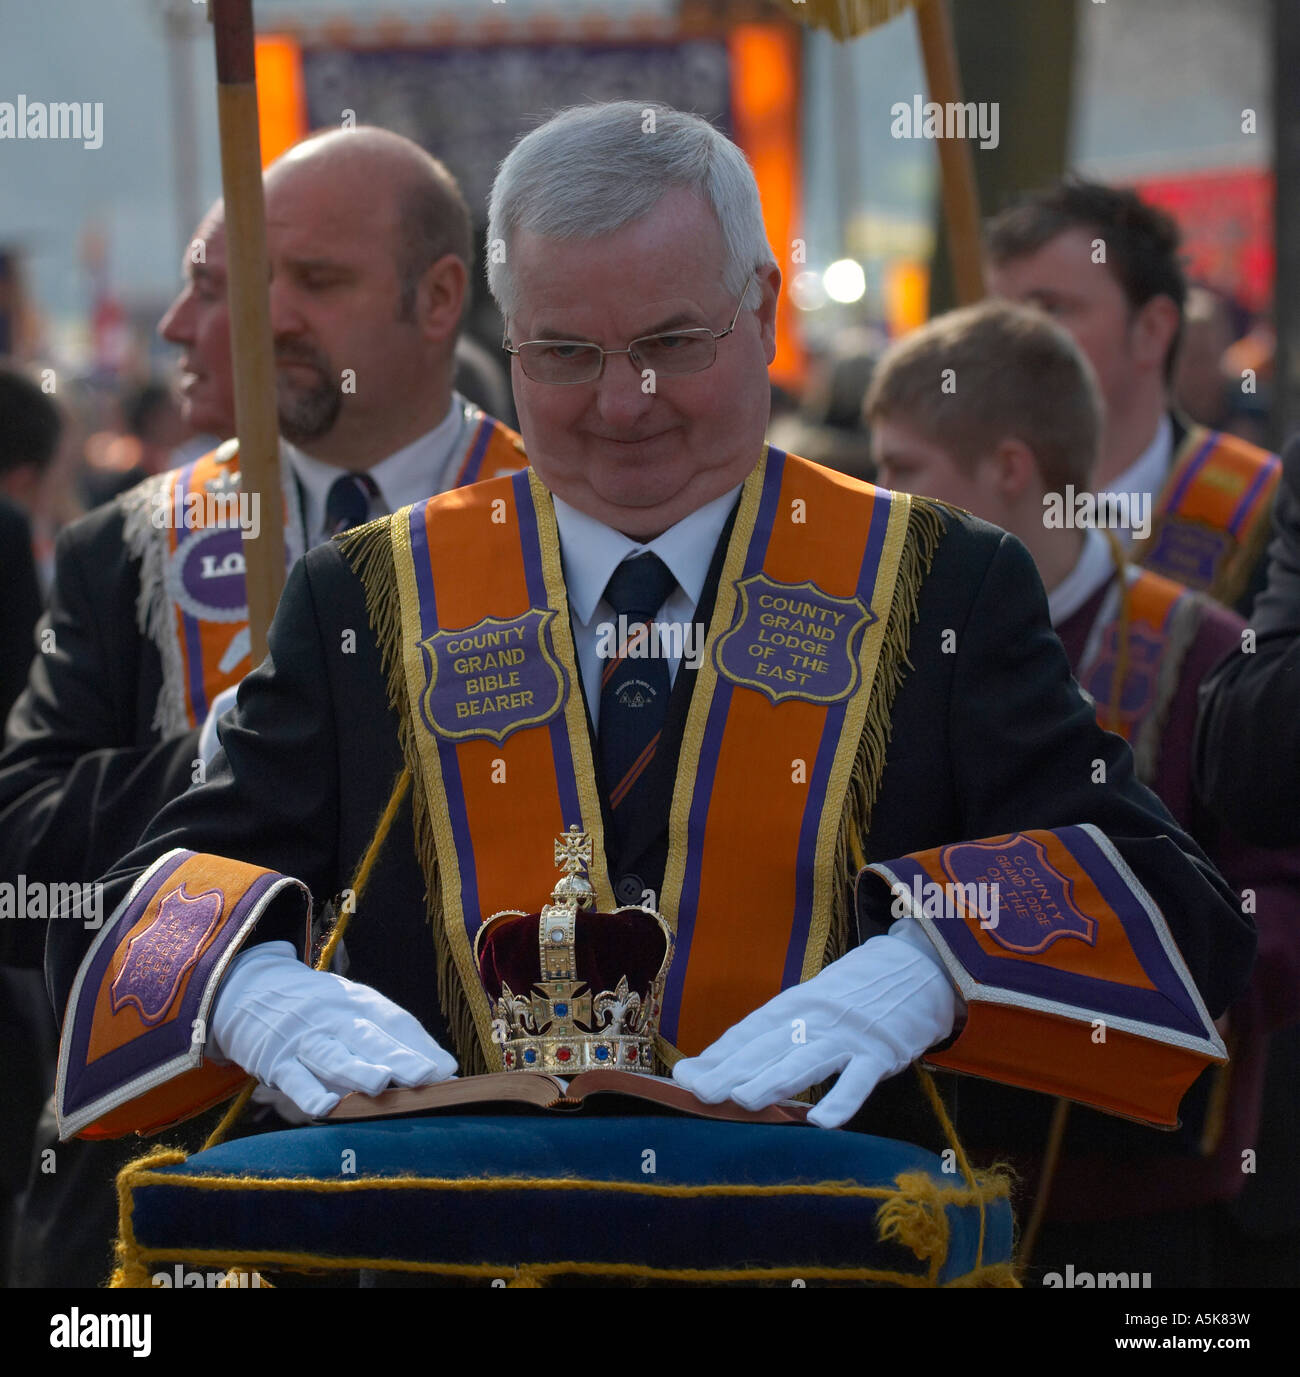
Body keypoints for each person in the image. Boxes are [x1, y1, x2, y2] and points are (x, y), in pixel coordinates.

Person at [55, 107, 1249, 1282]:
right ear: (507, 340)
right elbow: (142, 903)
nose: (623, 404)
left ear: (766, 315)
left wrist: (931, 964)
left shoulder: (939, 584)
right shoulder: (366, 596)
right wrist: (257, 987)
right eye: (565, 353)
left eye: (674, 342)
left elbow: (1169, 893)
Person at [2, 126, 524, 1287]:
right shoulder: (129, 547)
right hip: (174, 1193)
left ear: (440, 297)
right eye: (245, 281)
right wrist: (240, 738)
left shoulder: (560, 532)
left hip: (481, 1173)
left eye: (318, 281)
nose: (262, 313)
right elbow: (19, 856)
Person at [865, 299, 1300, 1286]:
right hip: (927, 1184)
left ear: (1009, 469)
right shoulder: (884, 648)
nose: (874, 493)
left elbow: (1276, 895)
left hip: (1143, 1201)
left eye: (900, 467)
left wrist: (1174, 969)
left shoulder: (1201, 650)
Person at [985, 179, 1281, 615]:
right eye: (1000, 317)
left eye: (1050, 310)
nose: (1009, 343)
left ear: (1151, 331)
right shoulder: (970, 516)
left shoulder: (1269, 516)